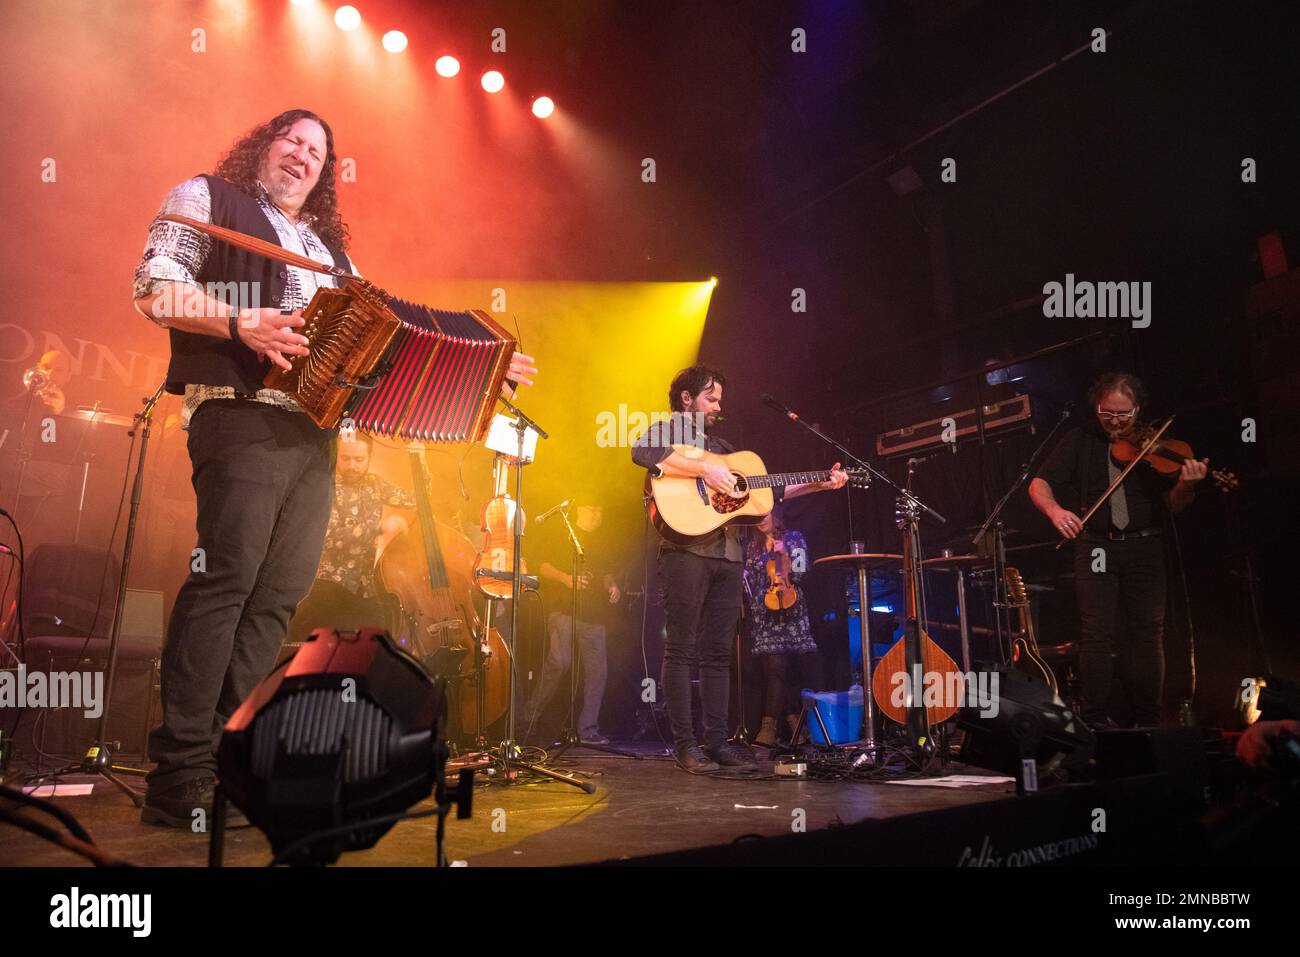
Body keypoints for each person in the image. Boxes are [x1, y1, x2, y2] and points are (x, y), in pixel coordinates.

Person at [131, 108, 537, 826]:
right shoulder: (206, 196)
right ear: (261, 145)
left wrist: (481, 373)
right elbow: (152, 285)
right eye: (291, 138)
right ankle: (179, 772)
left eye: (316, 151)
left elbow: (393, 346)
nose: (301, 153)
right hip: (238, 413)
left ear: (323, 175)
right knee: (225, 581)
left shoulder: (331, 259)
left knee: (277, 596)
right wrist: (238, 321)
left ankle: (234, 763)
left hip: (312, 440)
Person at [630, 365, 846, 773]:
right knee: (681, 650)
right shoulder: (665, 431)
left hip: (728, 556)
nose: (718, 406)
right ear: (686, 400)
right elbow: (640, 452)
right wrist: (703, 469)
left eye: (719, 400)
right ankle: (685, 745)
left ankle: (717, 743)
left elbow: (769, 490)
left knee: (717, 655)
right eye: (711, 399)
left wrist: (820, 483)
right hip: (684, 551)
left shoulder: (725, 447)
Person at [1029, 371, 1207, 729]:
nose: (1114, 422)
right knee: (1096, 633)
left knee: (1148, 632)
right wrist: (1056, 511)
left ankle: (1148, 720)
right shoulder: (1080, 438)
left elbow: (1174, 506)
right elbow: (1039, 483)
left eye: (1123, 415)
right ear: (1096, 406)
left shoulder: (1155, 446)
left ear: (1138, 410)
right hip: (1096, 545)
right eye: (1106, 413)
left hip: (1145, 543)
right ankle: (1094, 720)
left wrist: (1187, 486)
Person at [287, 431, 415, 644]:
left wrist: (418, 459)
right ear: (337, 455)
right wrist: (380, 527)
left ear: (369, 459)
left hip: (364, 589)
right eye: (346, 459)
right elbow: (333, 535)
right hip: (327, 588)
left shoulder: (375, 484)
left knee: (376, 648)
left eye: (359, 460)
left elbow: (417, 499)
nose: (352, 466)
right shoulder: (324, 485)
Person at [522, 503, 620, 745]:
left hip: (594, 614)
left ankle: (588, 730)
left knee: (598, 672)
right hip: (563, 611)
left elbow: (606, 571)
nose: (598, 515)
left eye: (601, 512)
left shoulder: (601, 541)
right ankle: (528, 718)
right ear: (581, 511)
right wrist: (566, 579)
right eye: (594, 510)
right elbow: (541, 566)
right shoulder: (563, 535)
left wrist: (612, 585)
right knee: (560, 662)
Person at [742, 505, 822, 747]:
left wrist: (786, 554)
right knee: (774, 670)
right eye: (755, 517)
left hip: (789, 612)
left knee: (778, 669)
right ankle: (795, 723)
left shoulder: (794, 537)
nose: (760, 521)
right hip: (763, 615)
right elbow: (751, 581)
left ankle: (768, 729)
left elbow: (801, 572)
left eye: (763, 514)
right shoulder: (752, 546)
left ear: (774, 513)